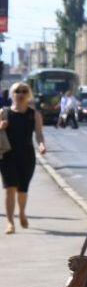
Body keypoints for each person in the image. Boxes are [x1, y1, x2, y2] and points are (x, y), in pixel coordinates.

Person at [1, 82, 47, 234]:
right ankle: (10, 222)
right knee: (10, 189)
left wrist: (41, 145)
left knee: (22, 190)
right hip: (7, 156)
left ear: (28, 95)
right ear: (12, 94)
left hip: (27, 157)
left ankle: (21, 212)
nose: (20, 94)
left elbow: (39, 134)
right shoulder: (4, 112)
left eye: (24, 91)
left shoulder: (34, 114)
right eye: (17, 91)